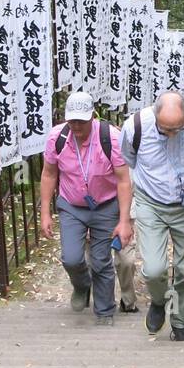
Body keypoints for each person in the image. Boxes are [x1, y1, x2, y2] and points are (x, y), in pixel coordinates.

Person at [121, 91, 184, 341]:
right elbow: (129, 160)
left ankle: (181, 321)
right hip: (151, 201)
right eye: (165, 130)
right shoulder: (135, 126)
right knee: (154, 269)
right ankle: (159, 299)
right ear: (155, 117)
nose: (172, 134)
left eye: (178, 129)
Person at [39, 91, 134, 326]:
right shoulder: (57, 138)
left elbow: (124, 180)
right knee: (71, 258)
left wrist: (124, 220)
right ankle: (82, 285)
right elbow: (49, 174)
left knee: (101, 260)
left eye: (82, 121)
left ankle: (104, 311)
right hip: (72, 205)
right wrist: (45, 213)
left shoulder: (110, 138)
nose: (77, 126)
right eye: (72, 121)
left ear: (92, 116)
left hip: (106, 205)